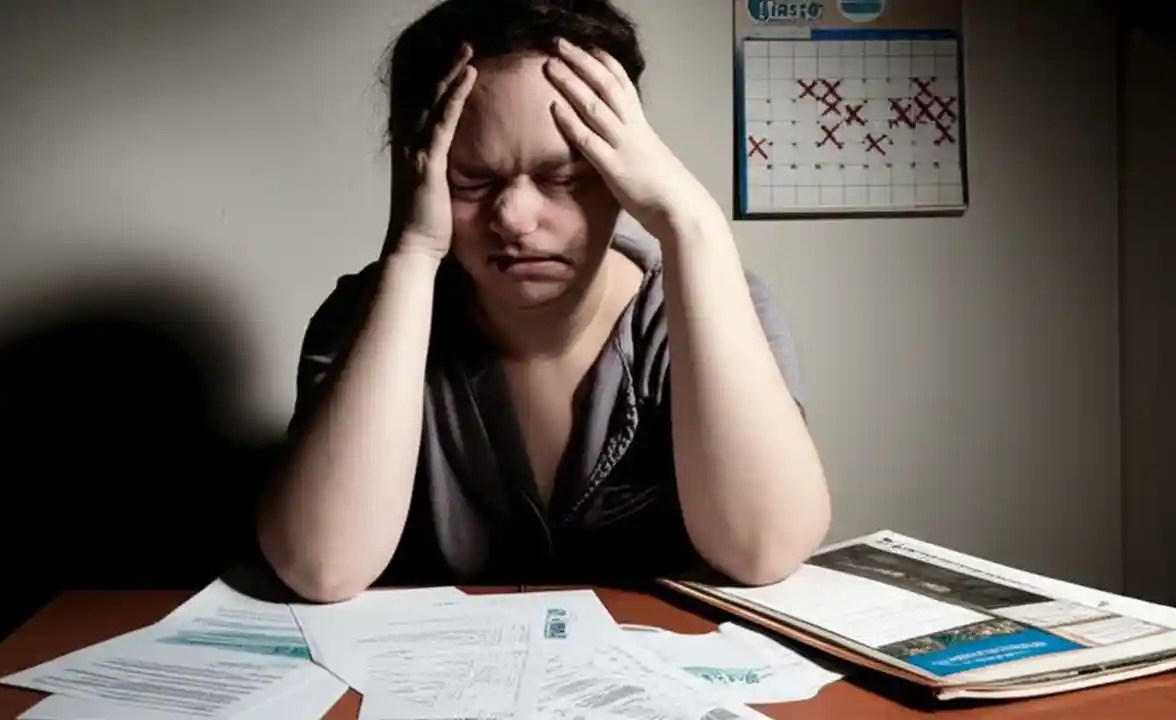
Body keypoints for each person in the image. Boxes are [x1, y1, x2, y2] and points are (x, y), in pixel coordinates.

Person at [255, 0, 831, 602]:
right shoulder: (362, 318)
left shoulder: (709, 302)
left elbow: (763, 547)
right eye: (470, 181)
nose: (514, 218)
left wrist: (694, 224)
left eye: (564, 178)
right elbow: (320, 565)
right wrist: (413, 251)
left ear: (626, 169)